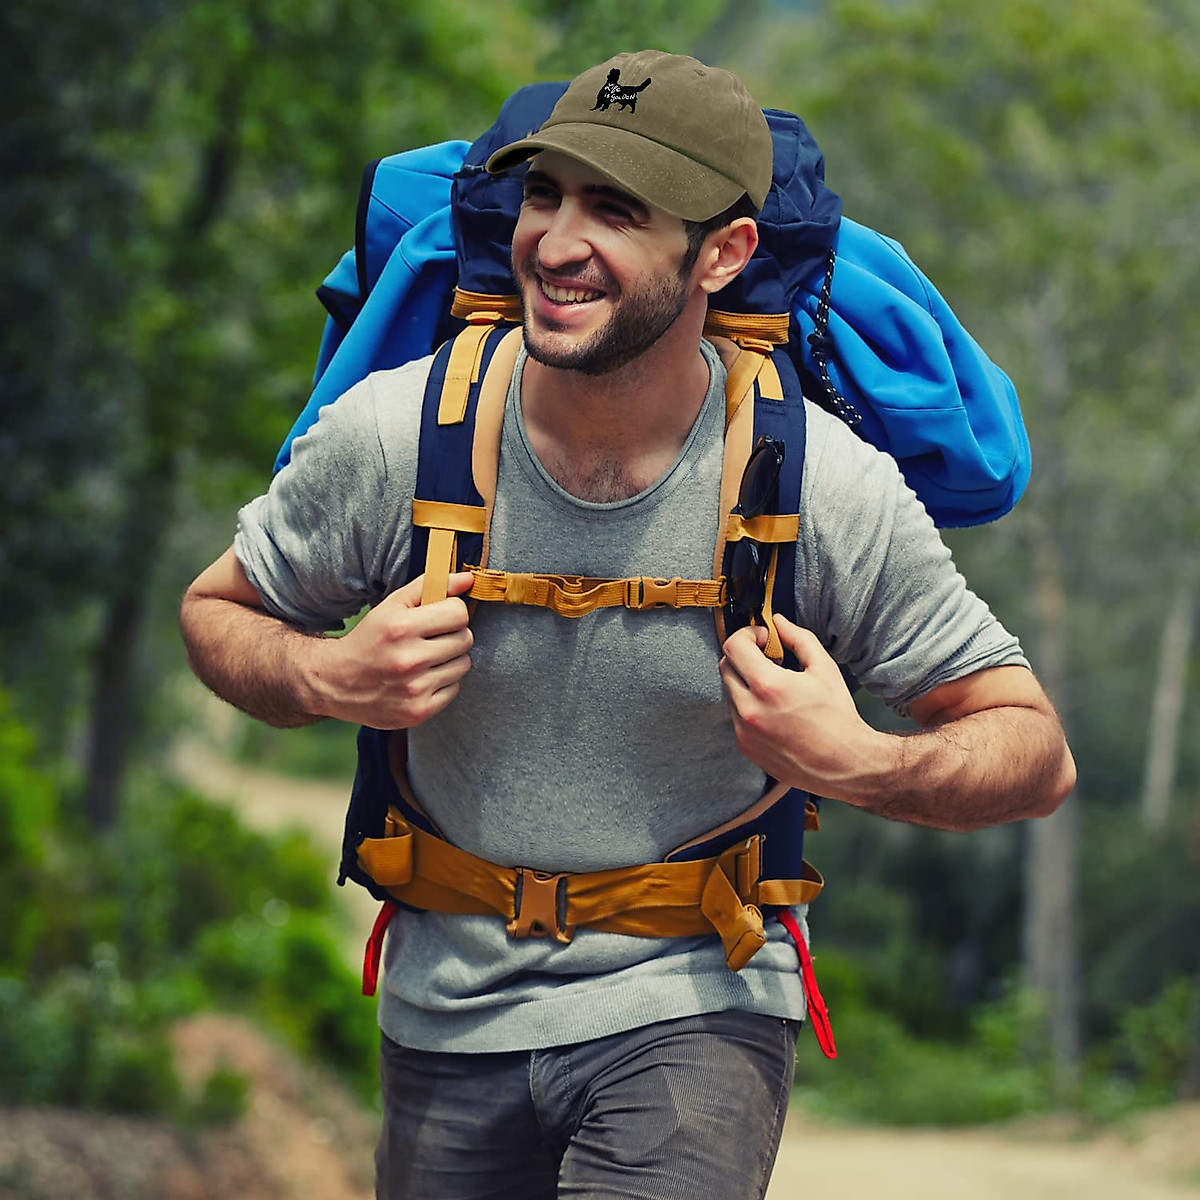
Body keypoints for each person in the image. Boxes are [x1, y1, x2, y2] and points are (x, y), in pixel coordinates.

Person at [180, 49, 1075, 1200]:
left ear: (724, 252)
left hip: (698, 1000)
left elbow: (1030, 746)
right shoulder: (400, 436)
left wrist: (865, 761)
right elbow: (220, 612)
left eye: (616, 209)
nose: (556, 241)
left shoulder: (818, 482)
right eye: (542, 194)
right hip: (446, 1011)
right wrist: (326, 674)